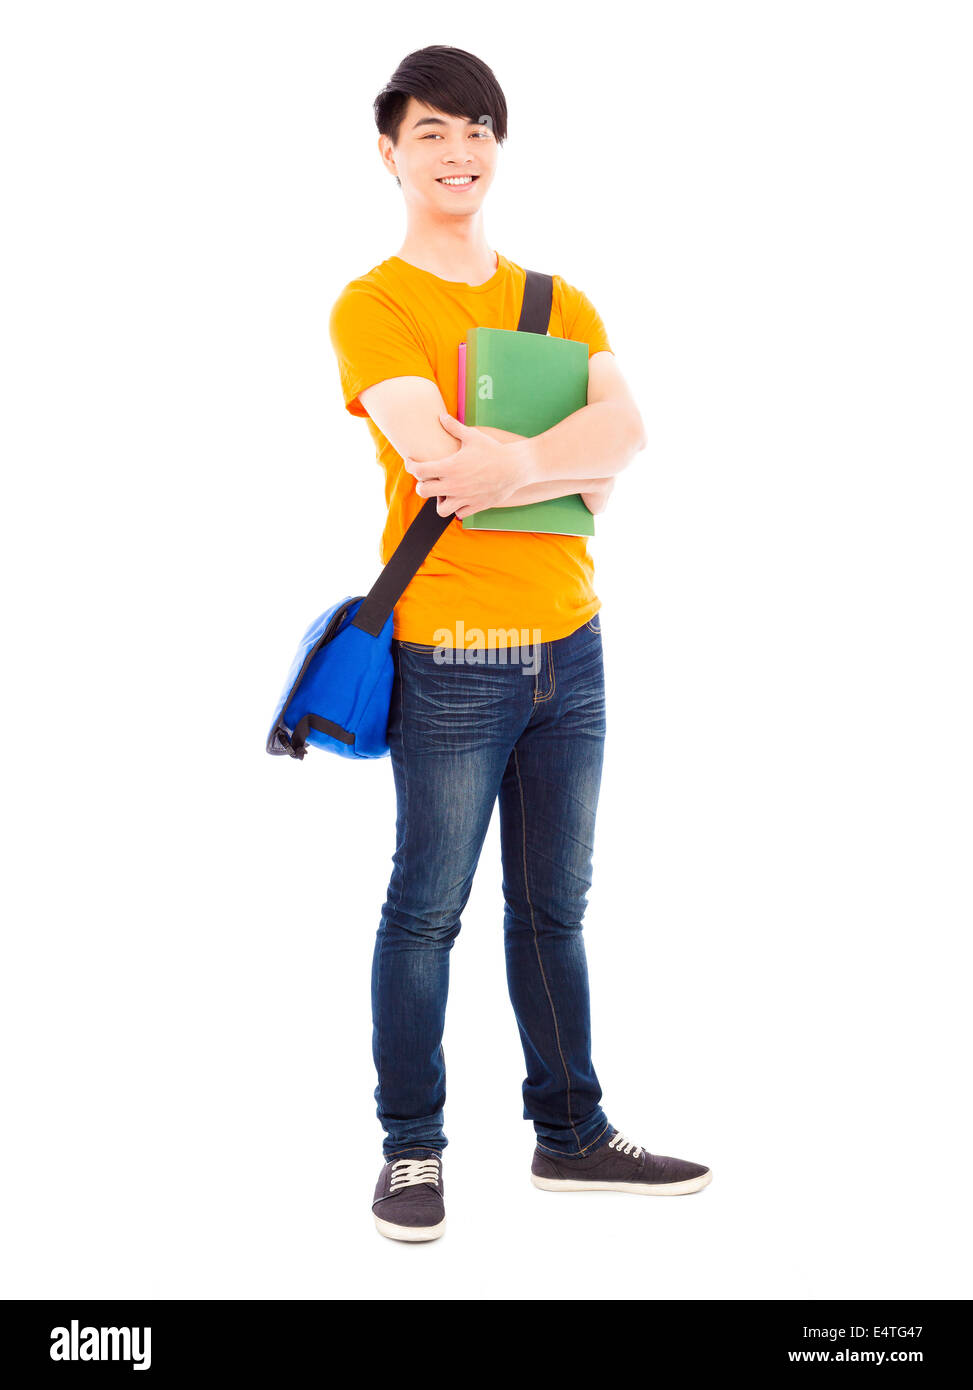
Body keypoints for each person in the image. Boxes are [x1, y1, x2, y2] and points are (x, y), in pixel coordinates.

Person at [328, 45, 711, 1243]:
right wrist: (562, 462)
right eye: (433, 131)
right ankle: (411, 1152)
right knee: (426, 908)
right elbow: (437, 462)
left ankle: (571, 1134)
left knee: (555, 907)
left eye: (478, 129)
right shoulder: (375, 302)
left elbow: (631, 435)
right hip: (449, 649)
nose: (460, 152)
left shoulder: (559, 302)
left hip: (570, 645)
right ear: (389, 148)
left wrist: (530, 465)